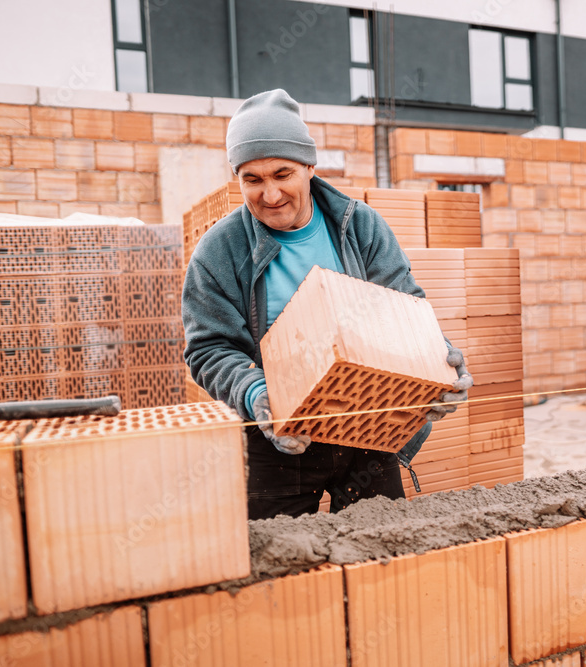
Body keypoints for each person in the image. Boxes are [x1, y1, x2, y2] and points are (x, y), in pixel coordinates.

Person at [182, 89, 472, 520]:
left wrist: (436, 362)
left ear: (310, 167)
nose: (271, 194)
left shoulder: (359, 226)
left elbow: (403, 305)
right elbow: (207, 349)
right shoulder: (219, 251)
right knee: (279, 568)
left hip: (367, 429)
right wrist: (259, 395)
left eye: (283, 173)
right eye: (253, 179)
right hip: (279, 442)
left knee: (380, 556)